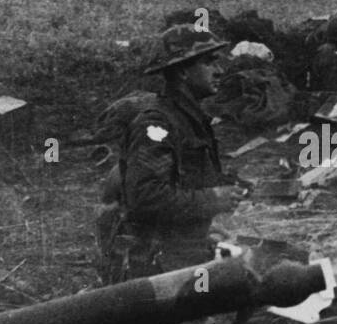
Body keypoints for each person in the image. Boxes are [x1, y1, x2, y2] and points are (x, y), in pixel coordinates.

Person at [95, 22, 247, 284]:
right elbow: (146, 198)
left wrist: (201, 227)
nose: (220, 71)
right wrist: (211, 200)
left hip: (171, 249)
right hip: (153, 265)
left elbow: (182, 182)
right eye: (210, 62)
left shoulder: (188, 118)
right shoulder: (157, 124)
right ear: (183, 72)